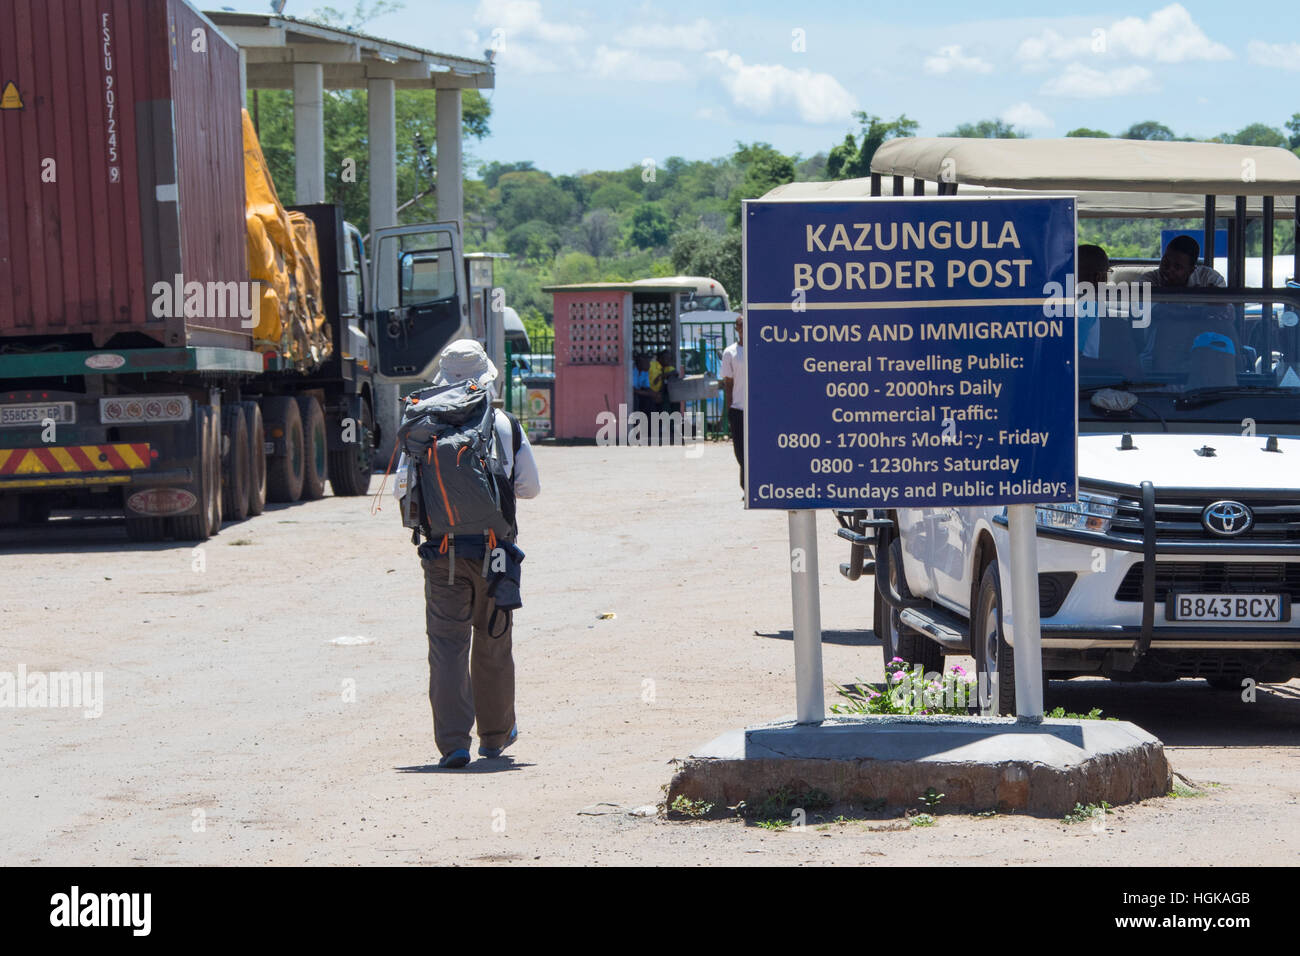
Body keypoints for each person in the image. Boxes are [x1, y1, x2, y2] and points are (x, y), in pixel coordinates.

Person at [394, 340, 541, 769]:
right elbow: (530, 488)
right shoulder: (504, 424)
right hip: (495, 554)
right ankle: (494, 738)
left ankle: (454, 744)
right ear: (487, 378)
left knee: (446, 650)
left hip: (441, 556)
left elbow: (407, 492)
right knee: (493, 644)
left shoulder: (422, 425)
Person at [719, 314, 745, 490]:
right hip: (738, 408)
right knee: (741, 452)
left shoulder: (760, 348)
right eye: (740, 325)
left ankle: (751, 485)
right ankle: (746, 486)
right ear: (737, 329)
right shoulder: (731, 352)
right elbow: (728, 384)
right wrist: (728, 409)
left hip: (758, 409)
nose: (744, 329)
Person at [632, 353, 656, 417]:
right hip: (631, 394)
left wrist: (654, 393)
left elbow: (646, 386)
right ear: (639, 362)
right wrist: (647, 393)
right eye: (647, 362)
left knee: (651, 400)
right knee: (636, 399)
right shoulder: (631, 370)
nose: (649, 365)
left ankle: (651, 424)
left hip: (639, 392)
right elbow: (632, 390)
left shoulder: (644, 371)